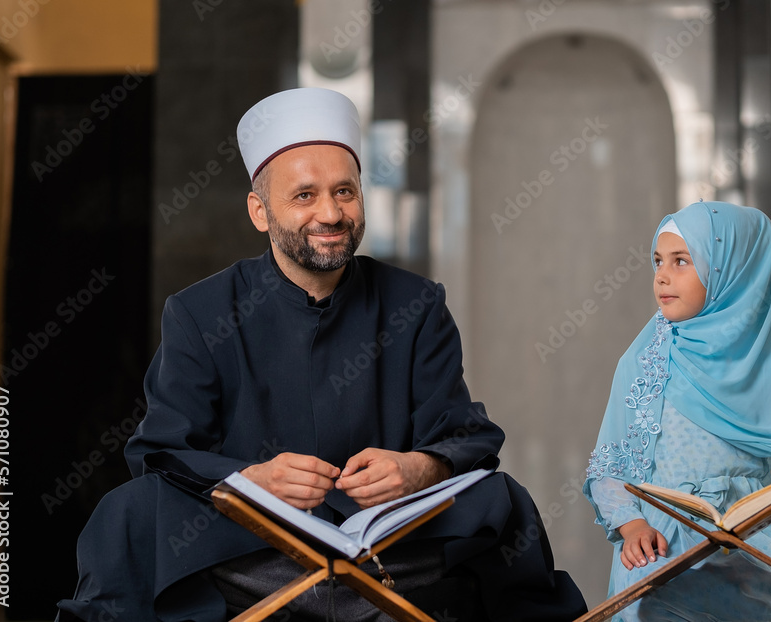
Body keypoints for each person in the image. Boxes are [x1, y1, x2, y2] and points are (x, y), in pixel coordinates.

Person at [56, 88, 586, 622]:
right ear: (260, 212)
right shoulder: (199, 312)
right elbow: (162, 449)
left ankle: (346, 596)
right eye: (304, 196)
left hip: (391, 549)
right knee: (128, 511)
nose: (331, 213)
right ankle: (334, 598)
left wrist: (418, 467)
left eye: (345, 192)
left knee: (501, 498)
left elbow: (463, 433)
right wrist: (253, 481)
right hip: (254, 550)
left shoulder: (416, 304)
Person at [584, 201, 771, 620]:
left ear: (734, 273)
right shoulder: (644, 362)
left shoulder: (770, 366)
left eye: (682, 261)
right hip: (661, 553)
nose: (662, 276)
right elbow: (610, 468)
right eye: (658, 262)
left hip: (747, 555)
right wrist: (632, 527)